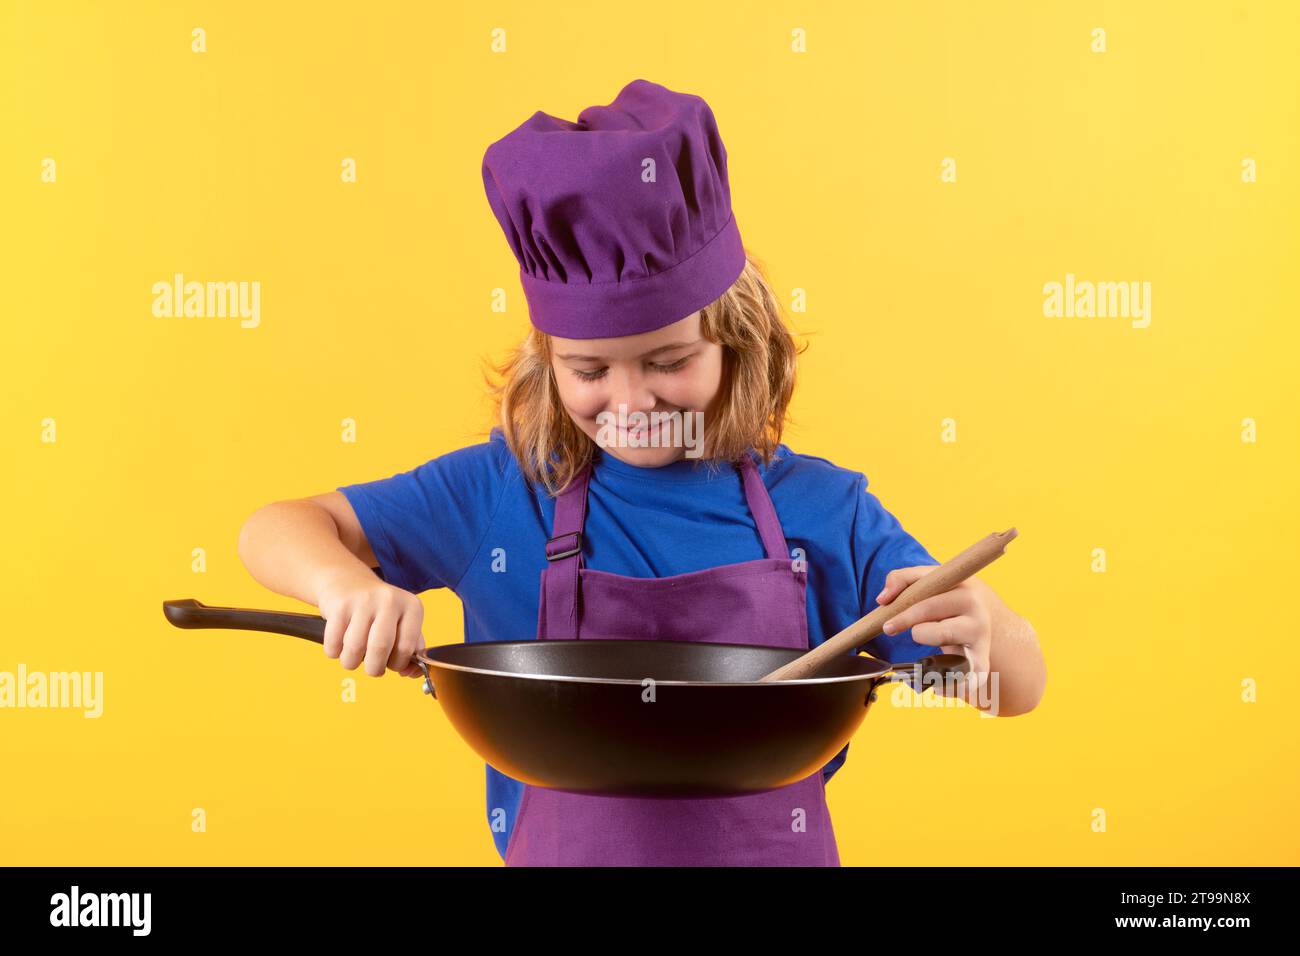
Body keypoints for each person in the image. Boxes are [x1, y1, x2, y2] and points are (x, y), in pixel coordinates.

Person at [237, 78, 1046, 866]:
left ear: (738, 338)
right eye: (589, 371)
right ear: (545, 361)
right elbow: (276, 528)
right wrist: (345, 588)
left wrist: (989, 633)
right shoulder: (505, 489)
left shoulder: (825, 510)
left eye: (667, 361)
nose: (630, 402)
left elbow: (1007, 690)